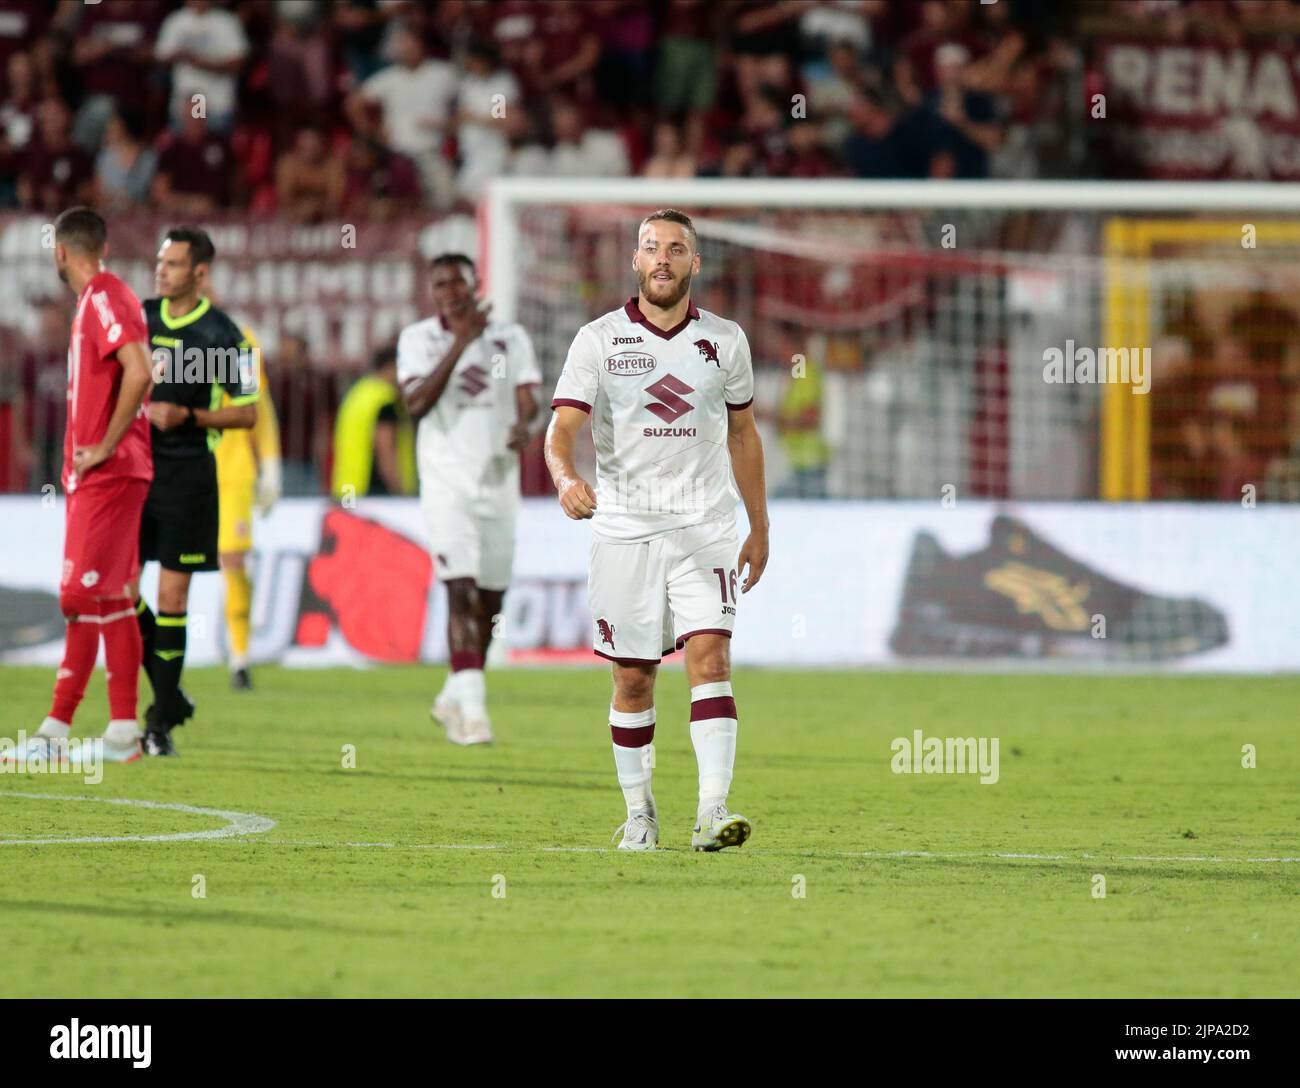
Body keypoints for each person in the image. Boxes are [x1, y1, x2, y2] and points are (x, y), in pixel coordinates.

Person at [544, 209, 770, 852]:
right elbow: (560, 432)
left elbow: (745, 433)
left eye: (676, 249)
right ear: (636, 262)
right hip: (625, 529)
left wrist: (759, 525)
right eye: (651, 248)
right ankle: (640, 813)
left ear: (695, 264)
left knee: (710, 655)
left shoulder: (726, 340)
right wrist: (565, 479)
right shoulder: (597, 339)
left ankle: (712, 810)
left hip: (705, 527)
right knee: (633, 676)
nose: (663, 258)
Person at [10, 207, 153, 764]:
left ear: (61, 252)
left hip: (110, 473)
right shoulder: (101, 299)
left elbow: (140, 371)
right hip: (106, 474)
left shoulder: (103, 296)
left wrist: (108, 443)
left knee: (76, 595)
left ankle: (54, 732)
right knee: (113, 597)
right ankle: (121, 730)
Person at [397, 254, 540, 745]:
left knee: (492, 599)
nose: (450, 292)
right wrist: (462, 342)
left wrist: (525, 426)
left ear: (475, 284)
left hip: (498, 480)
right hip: (446, 483)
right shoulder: (418, 339)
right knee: (459, 588)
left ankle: (453, 691)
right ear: (432, 291)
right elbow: (415, 403)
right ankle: (474, 714)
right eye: (440, 285)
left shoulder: (511, 338)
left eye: (458, 283)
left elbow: (529, 398)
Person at [136, 226, 259, 755]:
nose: (161, 270)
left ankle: (158, 722)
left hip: (188, 475)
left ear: (201, 272)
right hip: (131, 471)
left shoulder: (225, 335)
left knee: (172, 595)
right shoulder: (137, 318)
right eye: (160, 261)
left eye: (174, 264)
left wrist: (188, 415)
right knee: (116, 589)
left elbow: (248, 411)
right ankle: (169, 696)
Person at [215, 323, 281, 691]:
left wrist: (270, 464)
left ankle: (240, 657)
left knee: (233, 559)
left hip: (233, 471)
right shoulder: (160, 333)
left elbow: (258, 404)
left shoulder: (239, 339)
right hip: (181, 465)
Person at [331, 344, 416, 500]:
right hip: (376, 492)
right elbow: (385, 451)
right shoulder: (385, 400)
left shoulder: (358, 392)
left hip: (348, 487)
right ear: (392, 367)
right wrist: (401, 494)